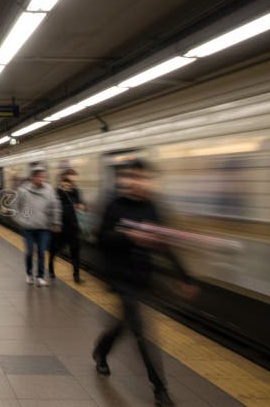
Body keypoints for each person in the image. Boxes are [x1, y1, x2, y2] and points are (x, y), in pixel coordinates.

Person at [92, 159, 197, 406]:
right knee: (141, 330)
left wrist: (184, 277)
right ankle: (160, 389)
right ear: (125, 179)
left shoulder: (152, 207)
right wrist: (129, 236)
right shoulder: (114, 206)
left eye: (142, 178)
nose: (137, 183)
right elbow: (101, 238)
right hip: (119, 275)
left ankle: (102, 349)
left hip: (143, 275)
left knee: (126, 323)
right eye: (132, 177)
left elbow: (164, 243)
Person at [14, 166, 60, 287]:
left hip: (44, 227)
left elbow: (55, 206)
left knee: (41, 252)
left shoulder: (49, 190)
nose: (41, 179)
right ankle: (29, 274)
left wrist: (56, 222)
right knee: (29, 251)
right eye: (39, 176)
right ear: (32, 177)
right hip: (28, 228)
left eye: (43, 177)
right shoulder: (23, 191)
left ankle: (40, 277)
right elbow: (16, 207)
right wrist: (22, 219)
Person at [49, 169, 85, 282]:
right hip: (60, 227)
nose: (72, 182)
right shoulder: (56, 192)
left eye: (73, 180)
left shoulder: (76, 191)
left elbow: (82, 204)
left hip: (73, 226)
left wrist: (81, 206)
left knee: (75, 251)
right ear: (63, 179)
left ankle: (76, 276)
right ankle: (51, 268)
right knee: (55, 249)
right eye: (70, 179)